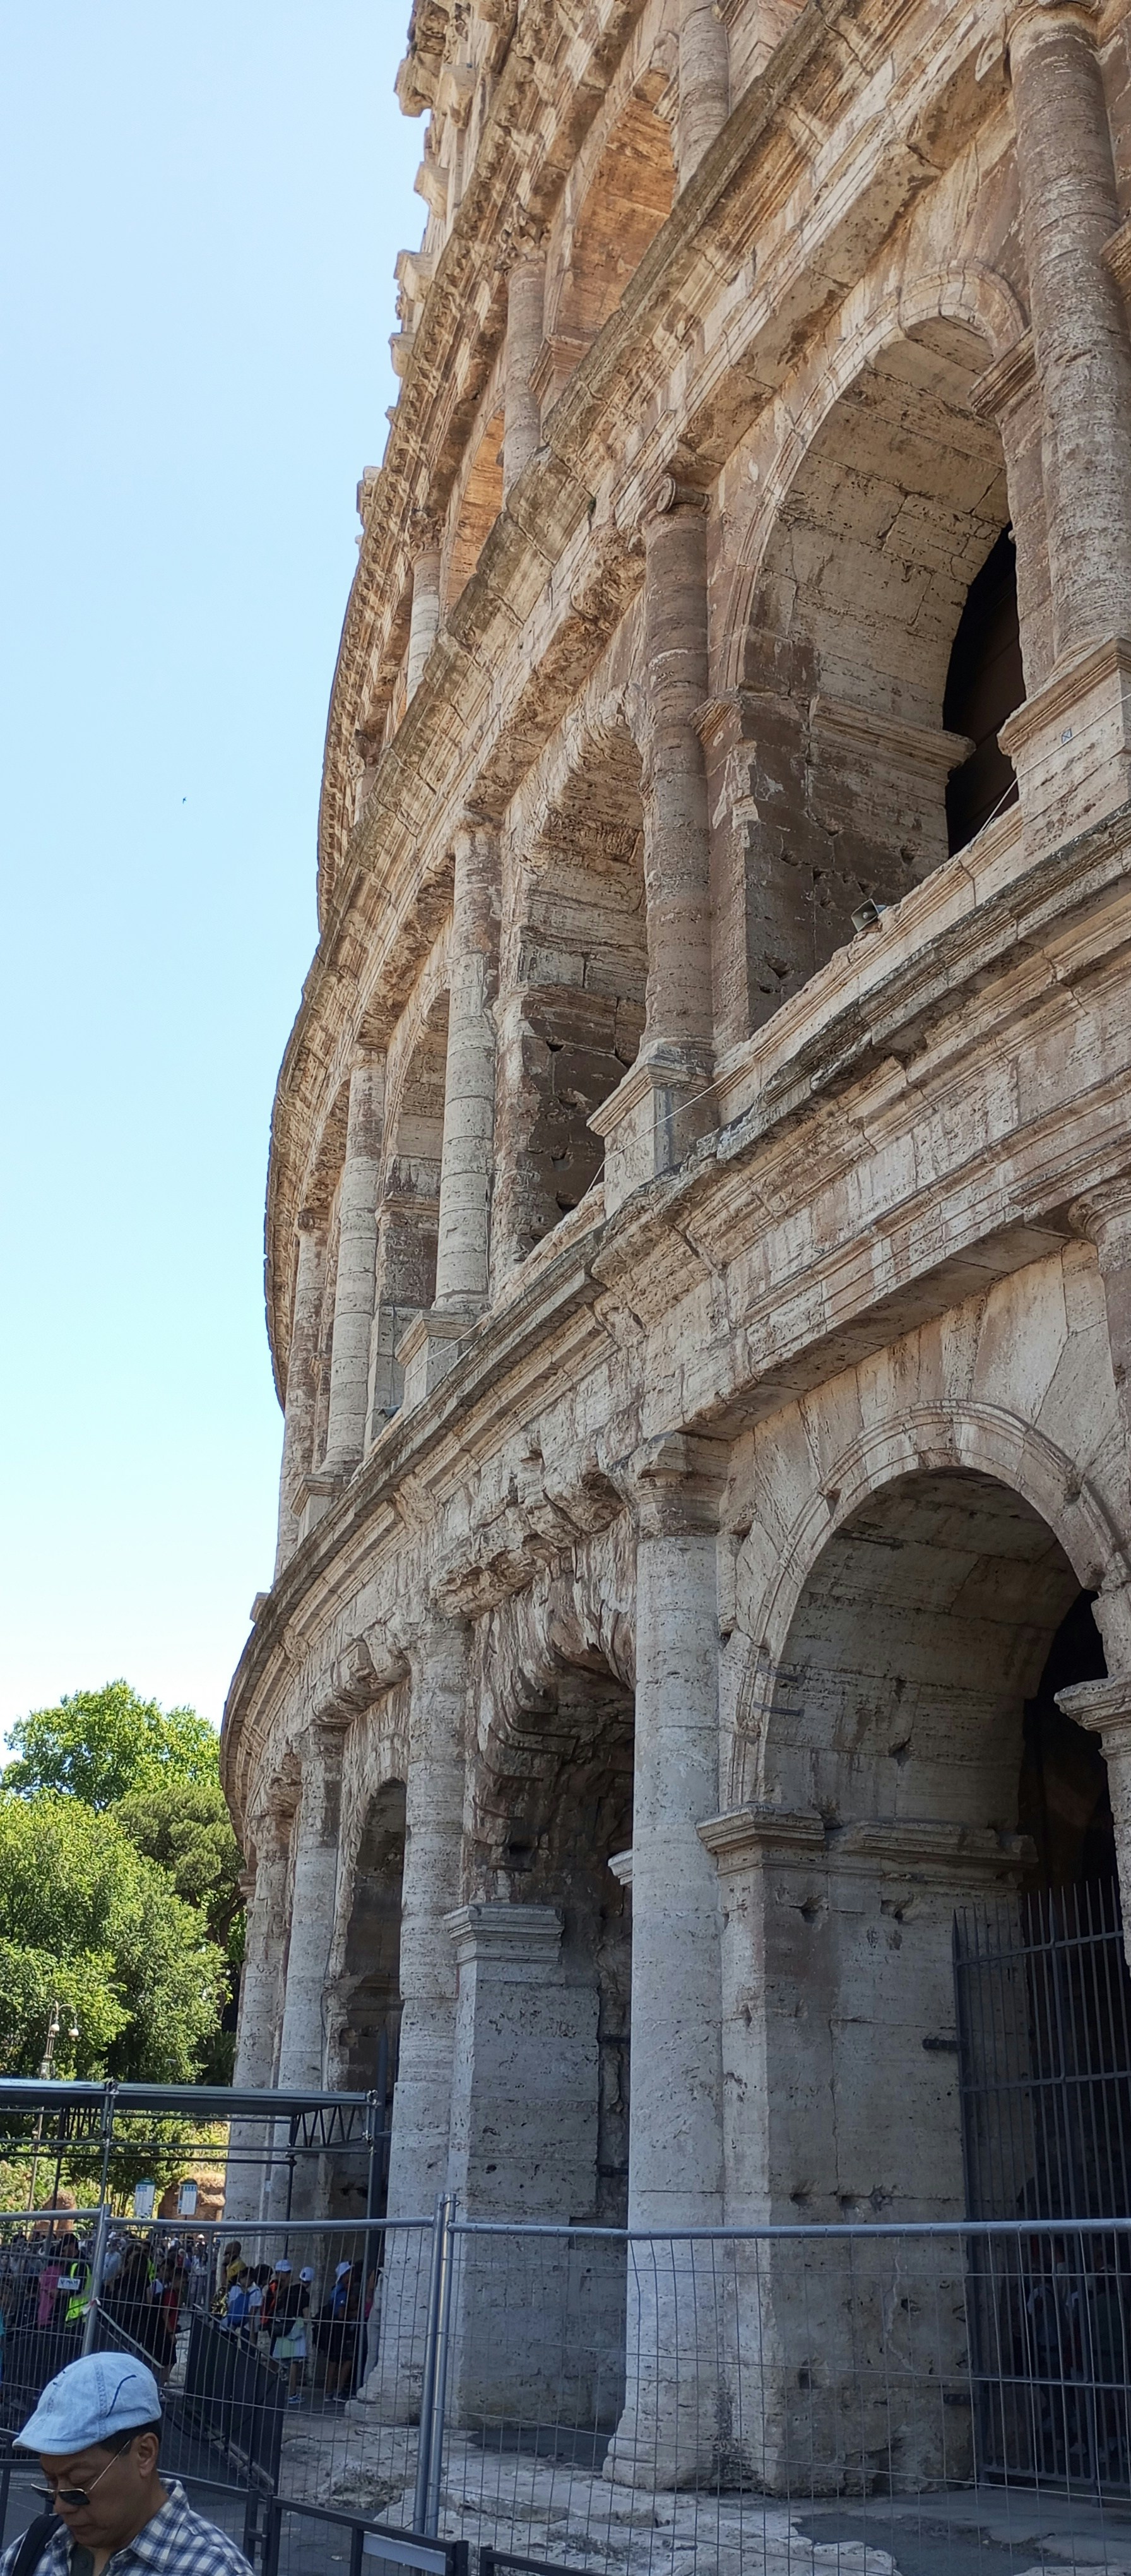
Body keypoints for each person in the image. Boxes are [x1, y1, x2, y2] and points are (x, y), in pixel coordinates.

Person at [0, 2350, 252, 2576]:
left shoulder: (214, 2569)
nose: (61, 2506)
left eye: (78, 2485)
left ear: (144, 2453)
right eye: (50, 2485)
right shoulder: (33, 2549)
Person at [268, 2262, 310, 2406]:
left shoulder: (287, 2290)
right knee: (294, 2362)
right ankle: (292, 2393)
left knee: (277, 2359)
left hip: (281, 2326)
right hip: (294, 2328)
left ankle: (269, 2390)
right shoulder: (280, 2287)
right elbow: (306, 2315)